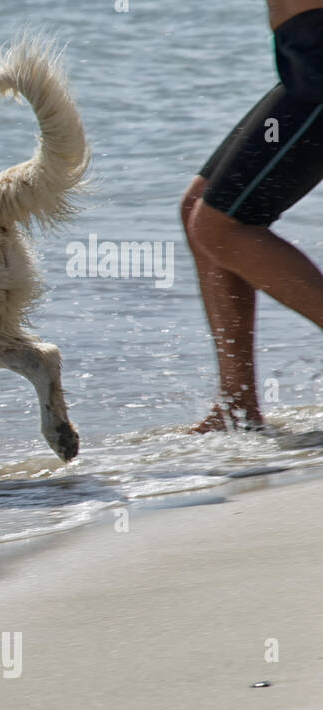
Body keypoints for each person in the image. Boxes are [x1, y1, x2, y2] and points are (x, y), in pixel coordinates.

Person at [182, 0, 323, 432]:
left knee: (219, 225)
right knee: (200, 208)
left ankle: (237, 408)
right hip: (302, 52)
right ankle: (237, 407)